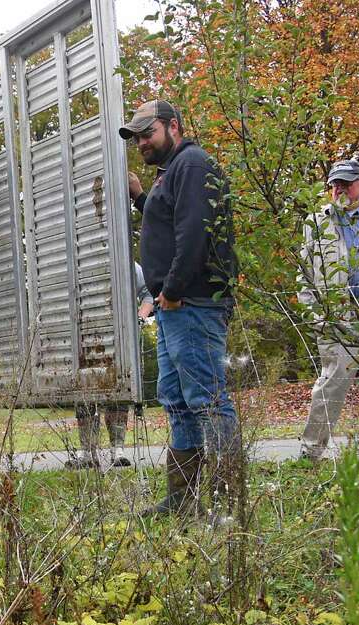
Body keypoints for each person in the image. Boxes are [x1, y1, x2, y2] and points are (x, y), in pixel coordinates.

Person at [119, 100, 239, 521]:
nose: (141, 144)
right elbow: (172, 221)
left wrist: (169, 289)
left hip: (192, 303)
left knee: (206, 400)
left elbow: (193, 236)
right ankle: (184, 501)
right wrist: (140, 199)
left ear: (173, 126)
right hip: (175, 307)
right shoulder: (174, 172)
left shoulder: (192, 165)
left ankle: (227, 506)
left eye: (147, 133)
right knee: (177, 400)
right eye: (136, 138)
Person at [297, 158, 359, 459]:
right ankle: (310, 454)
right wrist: (316, 316)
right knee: (332, 383)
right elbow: (305, 276)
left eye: (347, 183)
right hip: (337, 315)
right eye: (335, 184)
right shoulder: (316, 222)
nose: (339, 189)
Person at [68, 262, 154, 469]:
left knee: (119, 391)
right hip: (85, 335)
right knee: (84, 391)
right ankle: (88, 453)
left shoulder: (129, 264)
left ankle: (118, 450)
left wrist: (140, 318)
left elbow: (148, 294)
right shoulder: (78, 261)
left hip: (120, 335)